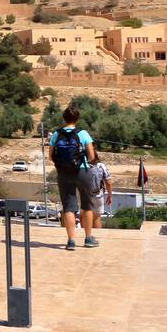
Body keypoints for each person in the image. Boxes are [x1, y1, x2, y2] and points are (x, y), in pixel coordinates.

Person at [48, 105, 99, 250]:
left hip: (64, 173)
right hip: (82, 171)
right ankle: (88, 238)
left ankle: (71, 241)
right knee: (87, 205)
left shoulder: (56, 134)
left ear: (64, 118)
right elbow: (92, 156)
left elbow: (50, 156)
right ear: (77, 118)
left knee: (69, 207)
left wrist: (64, 164)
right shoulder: (83, 133)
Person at [89, 148, 113, 230]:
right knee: (96, 217)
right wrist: (110, 195)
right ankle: (97, 236)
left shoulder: (81, 165)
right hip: (97, 195)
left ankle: (85, 236)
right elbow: (108, 182)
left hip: (83, 195)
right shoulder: (101, 166)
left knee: (84, 215)